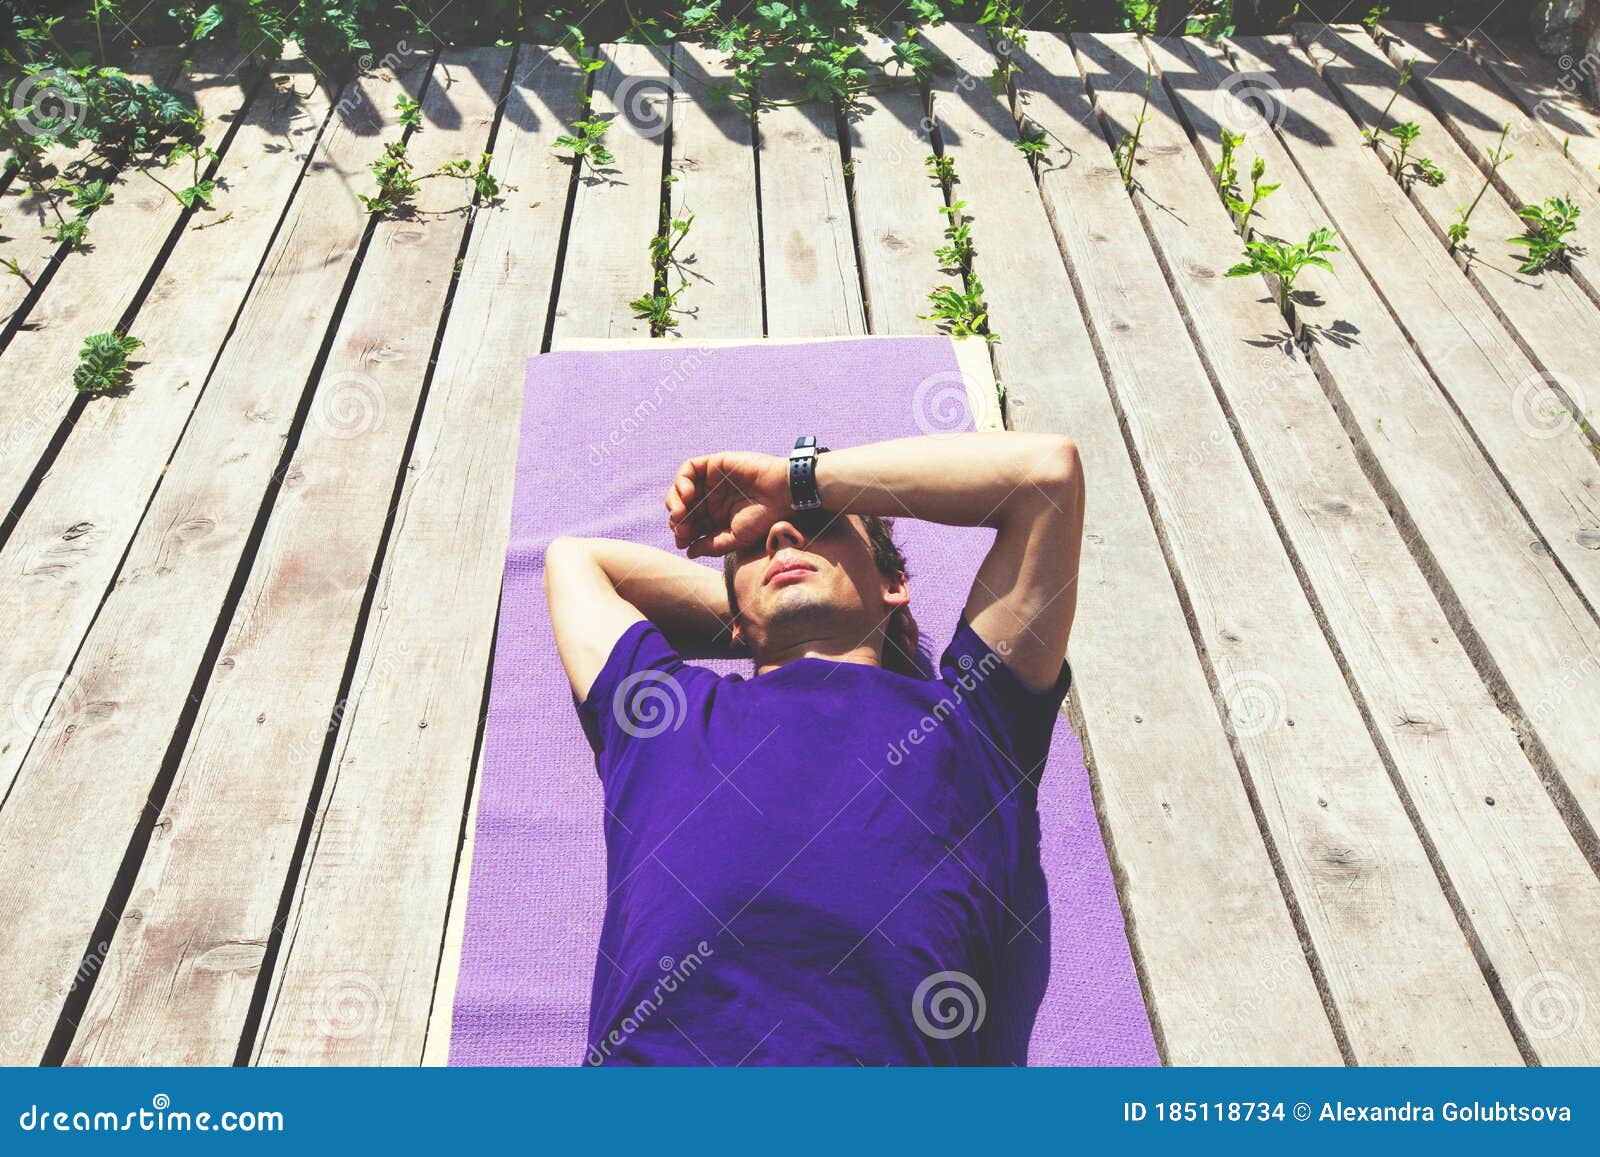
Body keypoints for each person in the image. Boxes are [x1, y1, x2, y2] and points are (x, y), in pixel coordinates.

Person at [544, 431, 1085, 1065]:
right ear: (732, 620)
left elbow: (1047, 477)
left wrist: (795, 481)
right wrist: (753, 606)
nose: (780, 536)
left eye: (820, 523)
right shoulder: (666, 712)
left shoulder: (977, 714)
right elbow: (575, 561)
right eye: (753, 547)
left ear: (895, 584)